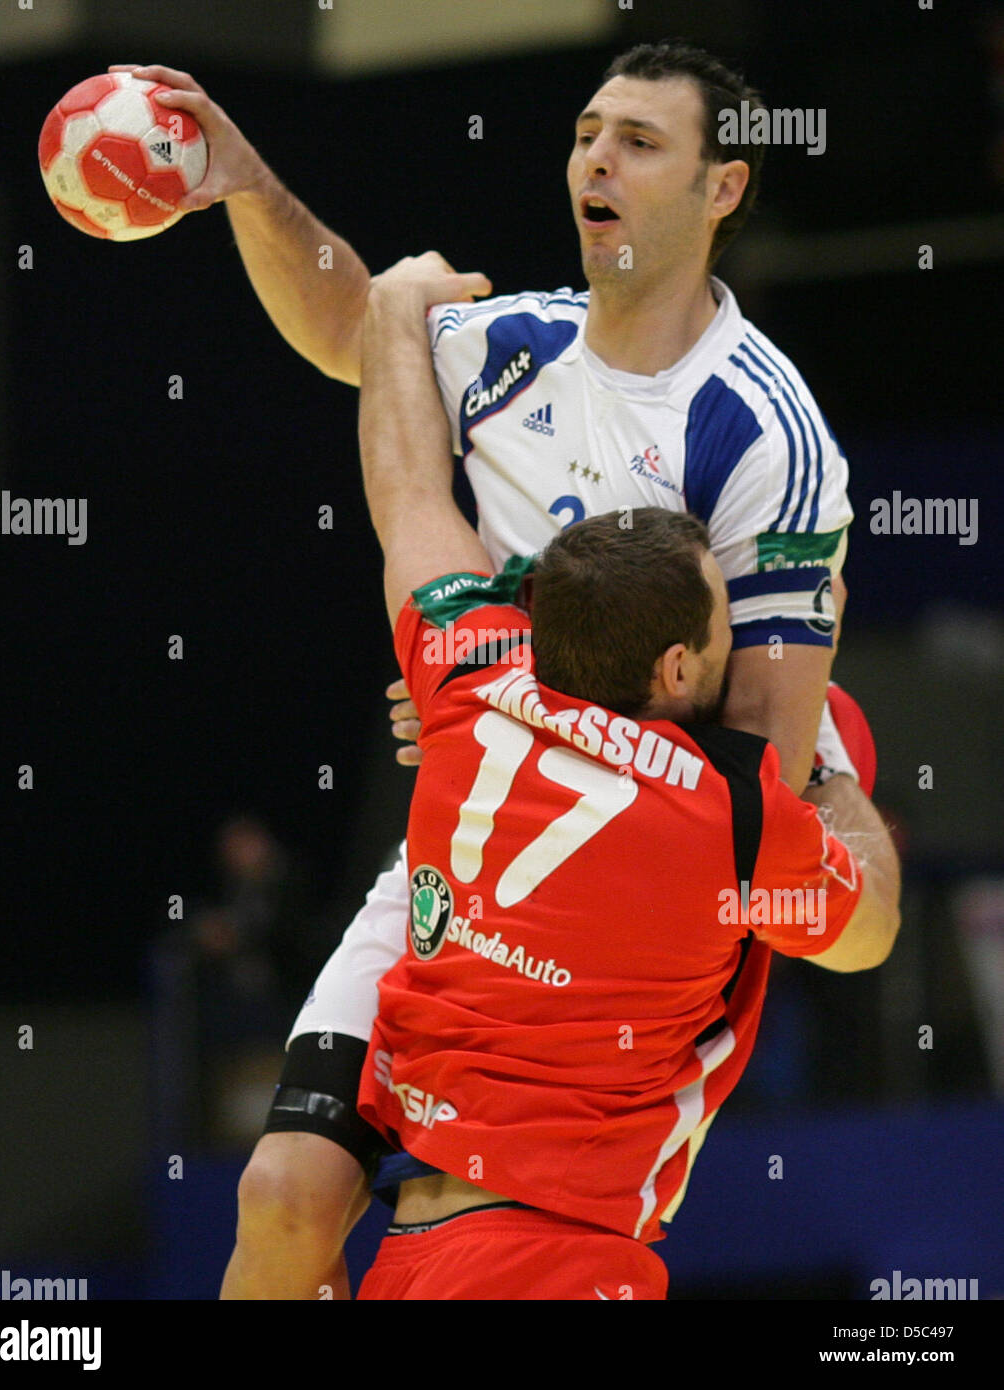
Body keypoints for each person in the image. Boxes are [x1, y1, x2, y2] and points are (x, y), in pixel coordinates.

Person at [105, 41, 859, 1297]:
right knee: (283, 1196)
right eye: (584, 132)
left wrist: (520, 720)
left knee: (493, 1240)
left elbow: (761, 752)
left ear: (722, 190)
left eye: (638, 141)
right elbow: (359, 329)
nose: (594, 160)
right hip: (463, 848)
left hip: (626, 903)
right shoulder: (515, 344)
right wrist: (244, 183)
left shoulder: (761, 430)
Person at [350, 255, 896, 1298]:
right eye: (724, 613)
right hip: (556, 1257)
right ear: (676, 668)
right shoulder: (727, 821)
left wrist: (388, 308)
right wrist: (831, 771)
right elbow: (864, 932)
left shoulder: (470, 676)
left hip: (414, 1251)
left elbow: (409, 486)